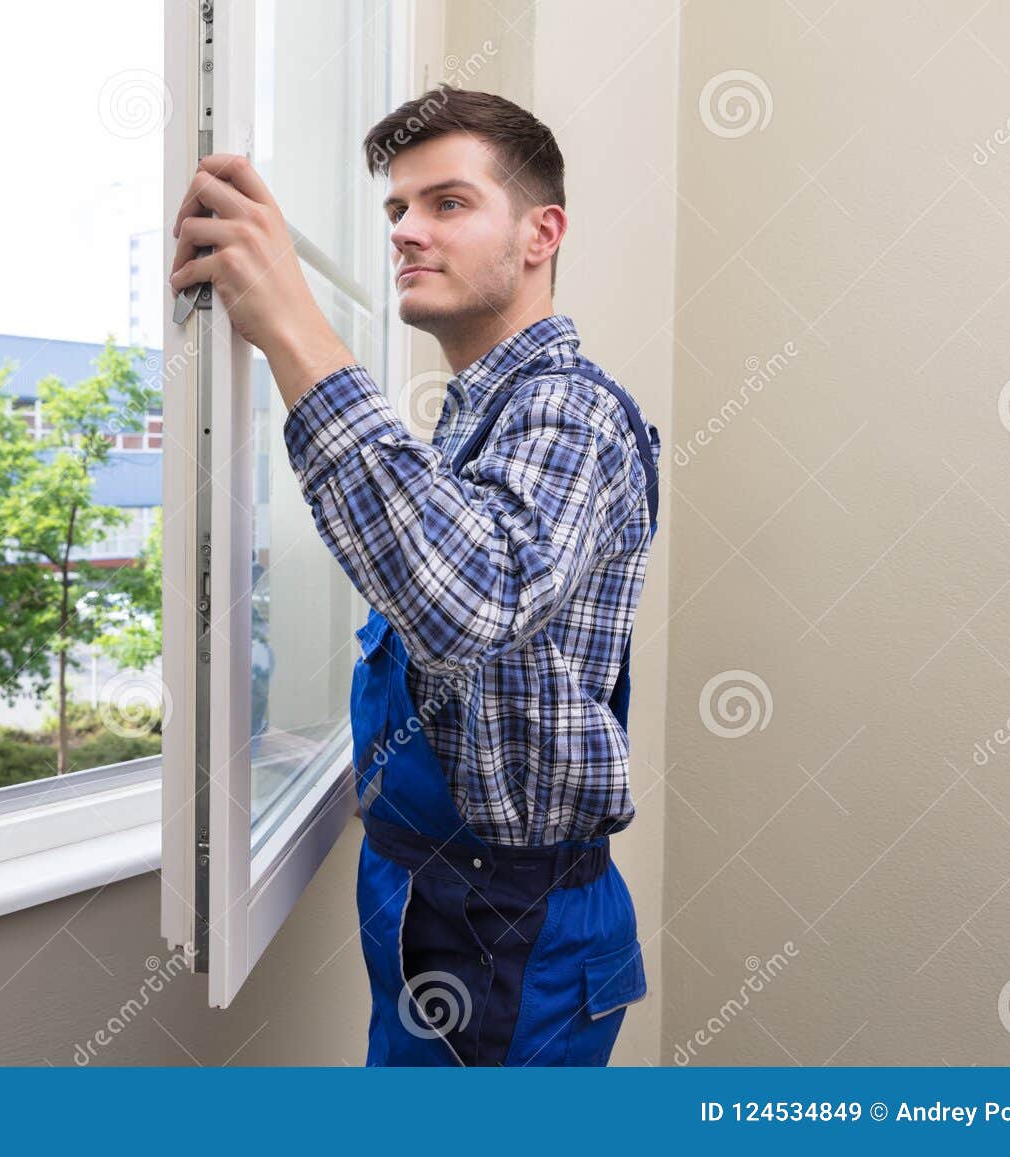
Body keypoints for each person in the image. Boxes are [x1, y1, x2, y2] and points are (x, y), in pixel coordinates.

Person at [169, 83, 659, 1066]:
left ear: (540, 233)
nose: (404, 229)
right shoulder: (474, 420)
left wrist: (293, 325)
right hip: (428, 901)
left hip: (513, 931)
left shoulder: (572, 410)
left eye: (448, 202)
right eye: (397, 207)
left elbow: (474, 598)